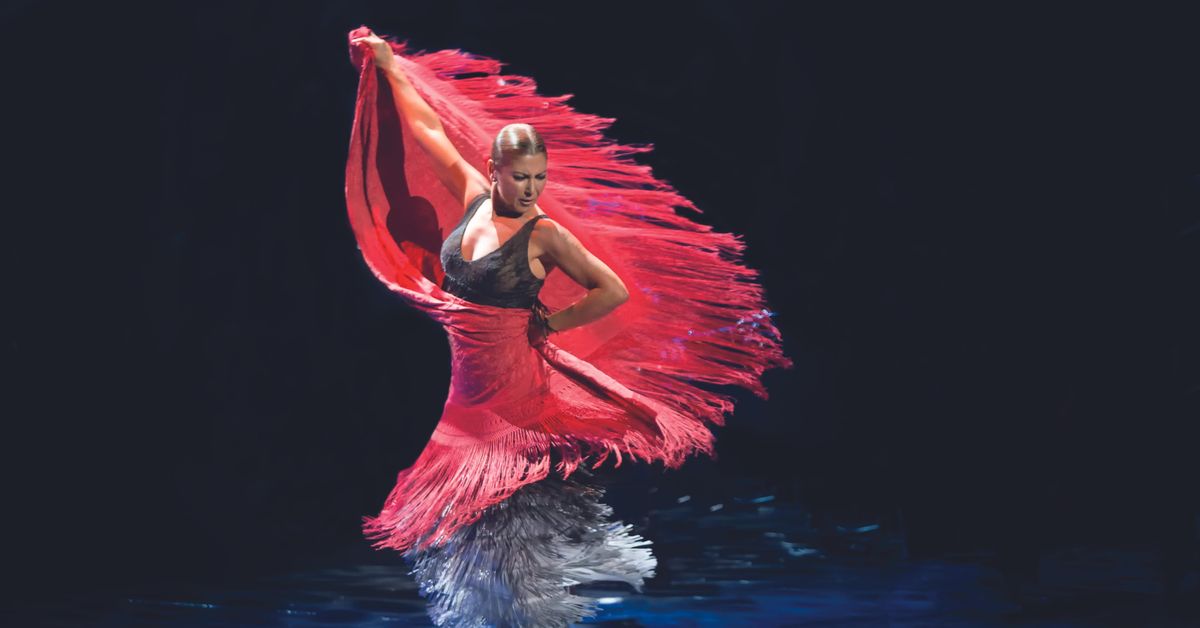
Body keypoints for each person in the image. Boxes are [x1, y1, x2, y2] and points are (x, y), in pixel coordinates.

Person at [345, 27, 789, 627]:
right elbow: (427, 132)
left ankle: (527, 612)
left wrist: (550, 323)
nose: (530, 190)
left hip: (515, 389)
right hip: (469, 389)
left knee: (505, 510)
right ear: (494, 169)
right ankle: (516, 602)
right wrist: (387, 65)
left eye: (538, 179)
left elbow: (612, 289)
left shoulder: (545, 233)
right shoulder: (475, 199)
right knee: (485, 514)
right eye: (520, 177)